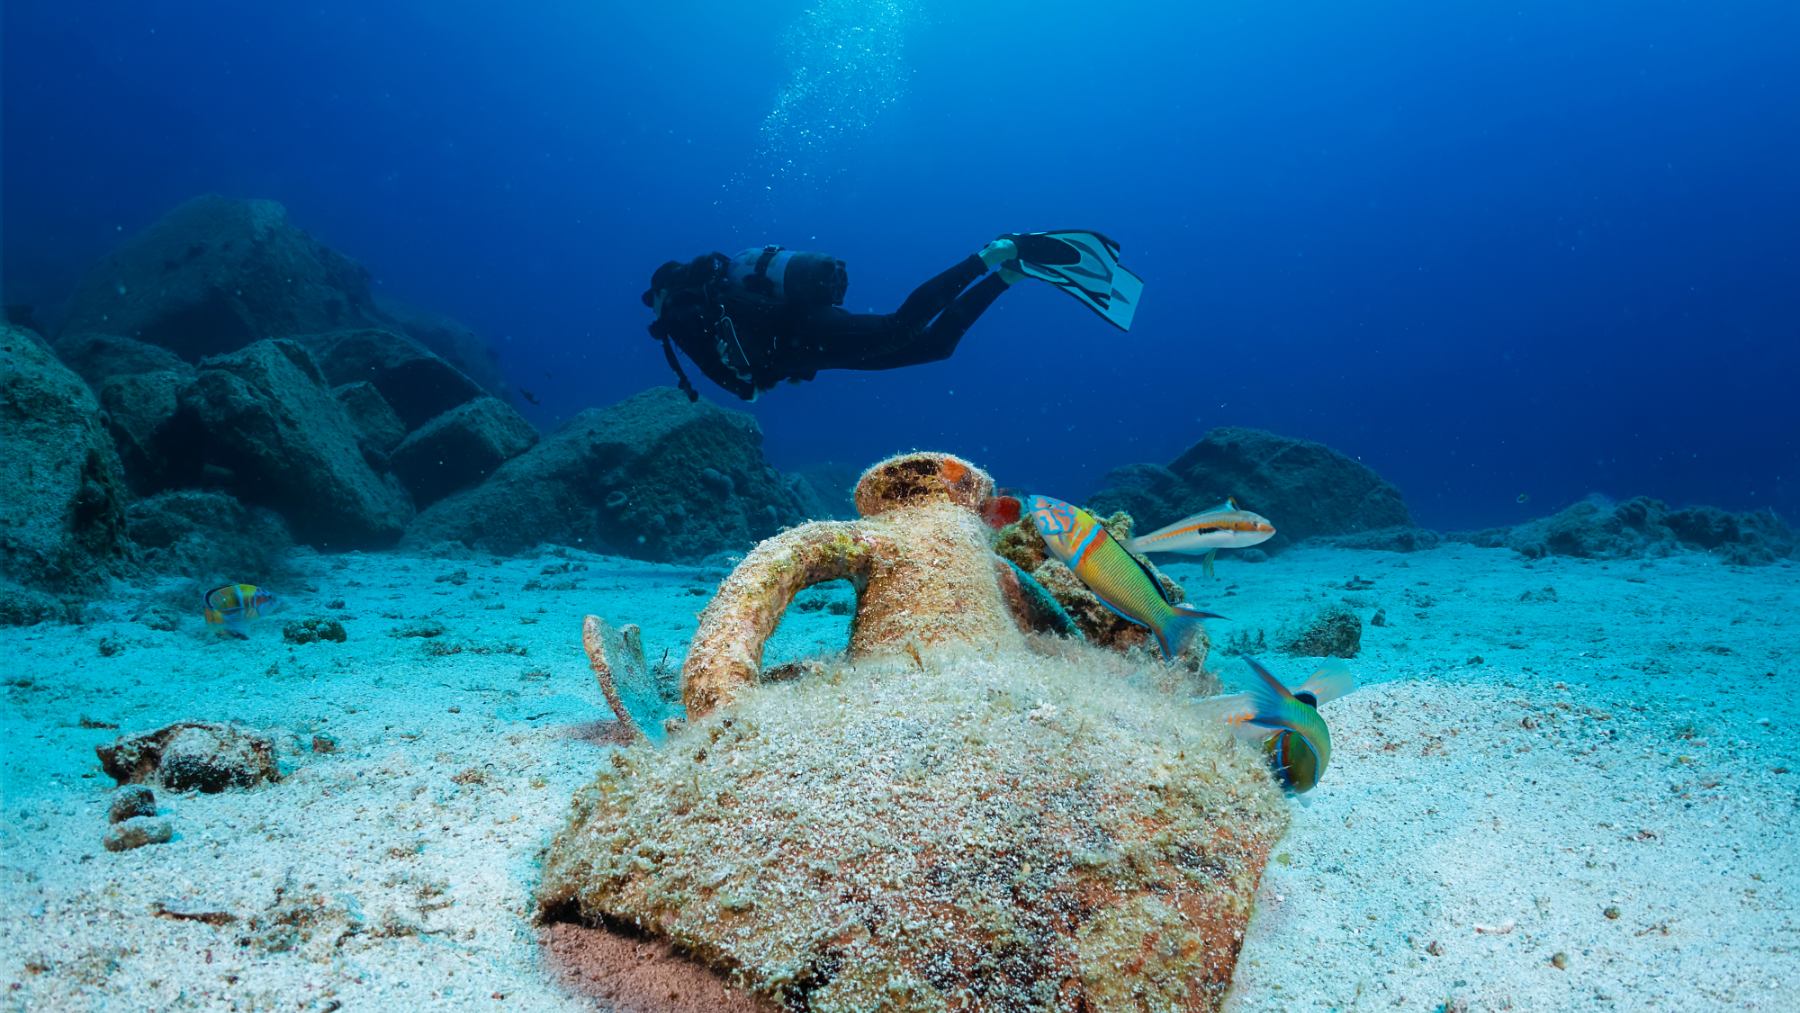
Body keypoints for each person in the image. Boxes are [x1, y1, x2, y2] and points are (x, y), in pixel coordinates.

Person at [642, 230, 1143, 401]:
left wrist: (755, 382)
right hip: (798, 345)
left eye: (653, 299)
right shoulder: (703, 300)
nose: (653, 311)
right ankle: (1010, 274)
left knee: (899, 328)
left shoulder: (681, 314)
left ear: (663, 290)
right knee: (933, 346)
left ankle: (991, 254)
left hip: (797, 336)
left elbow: (733, 375)